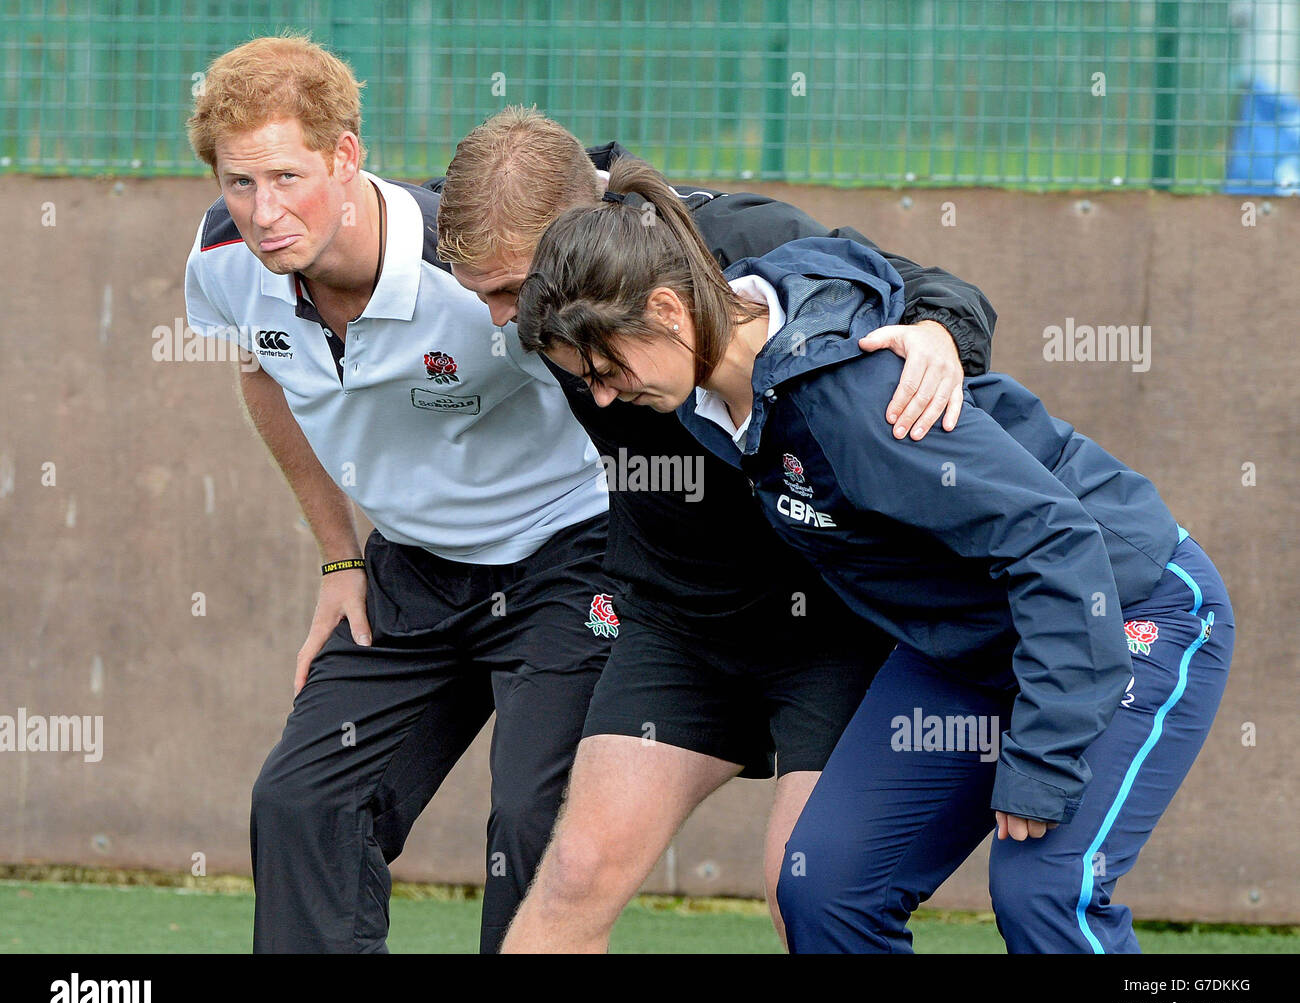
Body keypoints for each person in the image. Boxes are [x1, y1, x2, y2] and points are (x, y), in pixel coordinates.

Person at [512, 154, 1235, 953]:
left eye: (608, 368)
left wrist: (1042, 754)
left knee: (1043, 890)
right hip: (971, 644)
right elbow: (841, 266)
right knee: (825, 887)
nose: (605, 397)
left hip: (1126, 607)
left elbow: (1055, 542)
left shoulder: (846, 397)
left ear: (665, 308)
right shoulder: (721, 377)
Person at [431, 107, 999, 951]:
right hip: (677, 619)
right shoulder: (514, 241)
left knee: (803, 890)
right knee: (571, 878)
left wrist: (936, 336)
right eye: (481, 294)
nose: (503, 321)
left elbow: (935, 293)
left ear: (580, 229)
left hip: (830, 623)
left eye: (513, 291)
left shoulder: (739, 239)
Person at [183, 37, 617, 954]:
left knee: (534, 827)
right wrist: (340, 556)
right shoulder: (225, 265)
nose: (264, 213)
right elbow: (266, 377)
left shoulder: (474, 277)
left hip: (566, 558)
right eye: (239, 182)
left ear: (347, 158)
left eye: (289, 177)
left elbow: (627, 384)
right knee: (303, 801)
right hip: (412, 569)